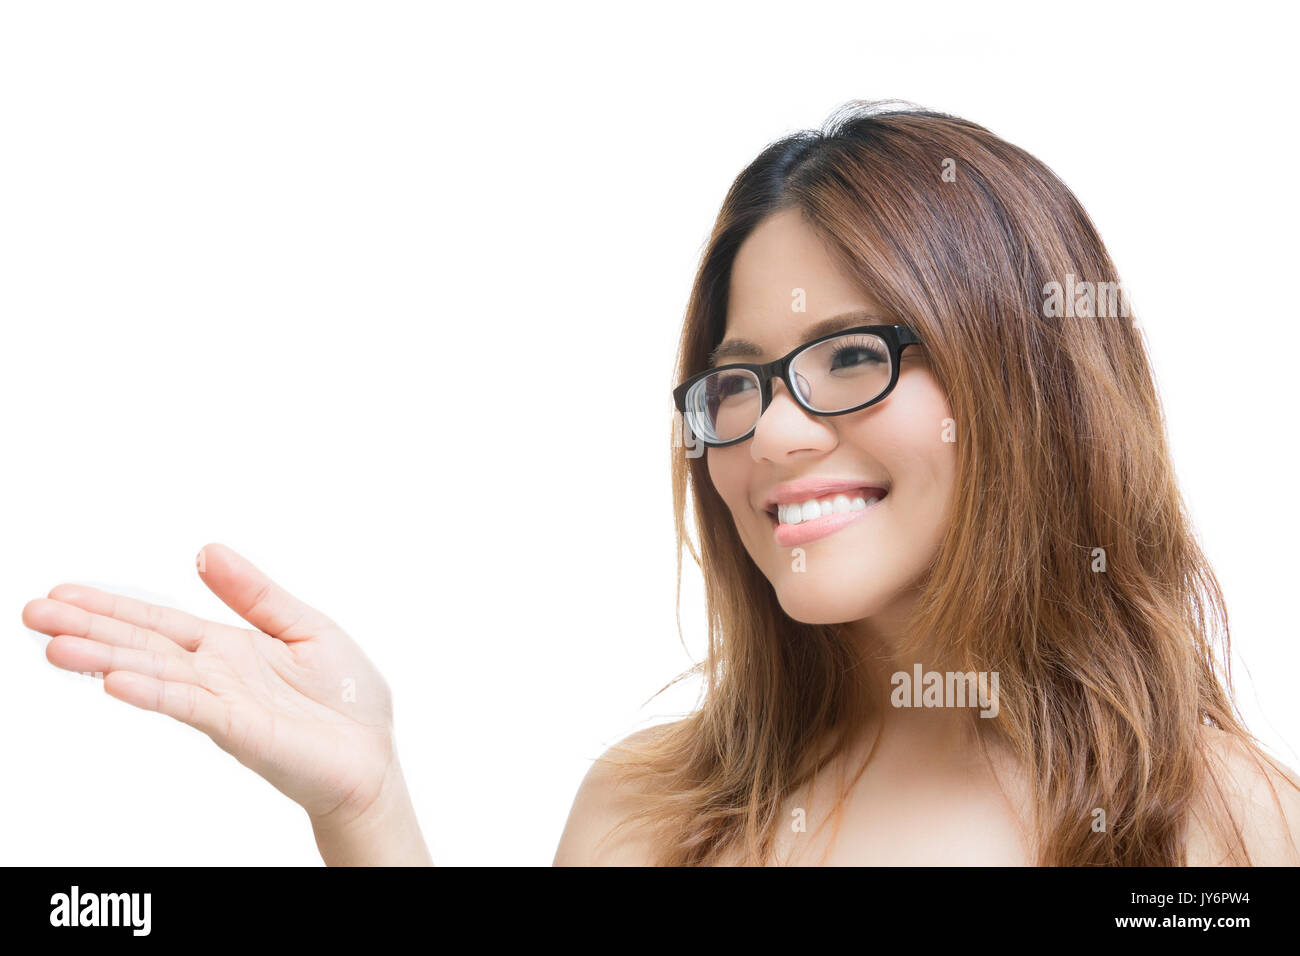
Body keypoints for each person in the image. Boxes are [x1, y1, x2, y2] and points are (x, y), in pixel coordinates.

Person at [21, 101, 1300, 866]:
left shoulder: (1207, 824)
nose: (774, 433)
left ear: (1029, 378)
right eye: (735, 382)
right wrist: (368, 802)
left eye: (851, 355)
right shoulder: (654, 807)